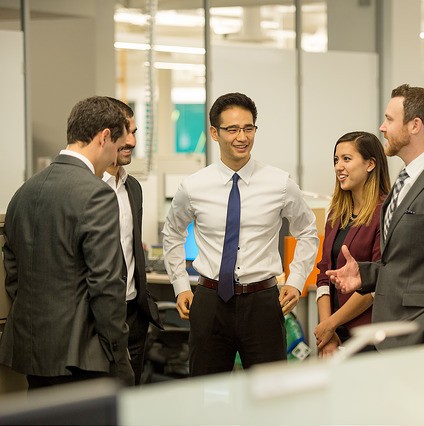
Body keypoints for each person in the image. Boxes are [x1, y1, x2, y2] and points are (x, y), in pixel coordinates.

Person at [162, 92, 319, 375]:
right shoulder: (193, 186)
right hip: (210, 301)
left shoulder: (279, 183)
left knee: (271, 393)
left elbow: (307, 231)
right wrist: (180, 285)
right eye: (232, 129)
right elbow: (172, 233)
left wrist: (296, 281)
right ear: (214, 132)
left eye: (248, 128)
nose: (241, 137)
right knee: (207, 392)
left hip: (263, 302)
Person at [327, 84, 424, 349]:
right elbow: (410, 263)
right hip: (394, 336)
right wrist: (364, 275)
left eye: (389, 119)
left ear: (415, 125)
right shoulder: (406, 180)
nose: (382, 127)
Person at [0, 96, 134, 388]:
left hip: (32, 348)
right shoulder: (96, 194)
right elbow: (106, 285)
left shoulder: (24, 192)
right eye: (116, 146)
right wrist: (117, 353)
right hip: (82, 355)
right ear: (104, 137)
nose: (115, 157)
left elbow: (14, 273)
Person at [103, 98, 162, 385]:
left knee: (130, 400)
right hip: (98, 318)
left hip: (133, 315)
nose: (131, 141)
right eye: (124, 132)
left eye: (135, 132)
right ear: (103, 135)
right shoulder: (83, 189)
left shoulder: (133, 187)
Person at [314, 131, 390, 357]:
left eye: (347, 159)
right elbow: (324, 273)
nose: (339, 166)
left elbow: (377, 281)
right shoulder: (337, 214)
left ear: (370, 164)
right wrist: (328, 330)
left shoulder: (385, 213)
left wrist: (329, 325)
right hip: (335, 333)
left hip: (368, 335)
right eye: (336, 160)